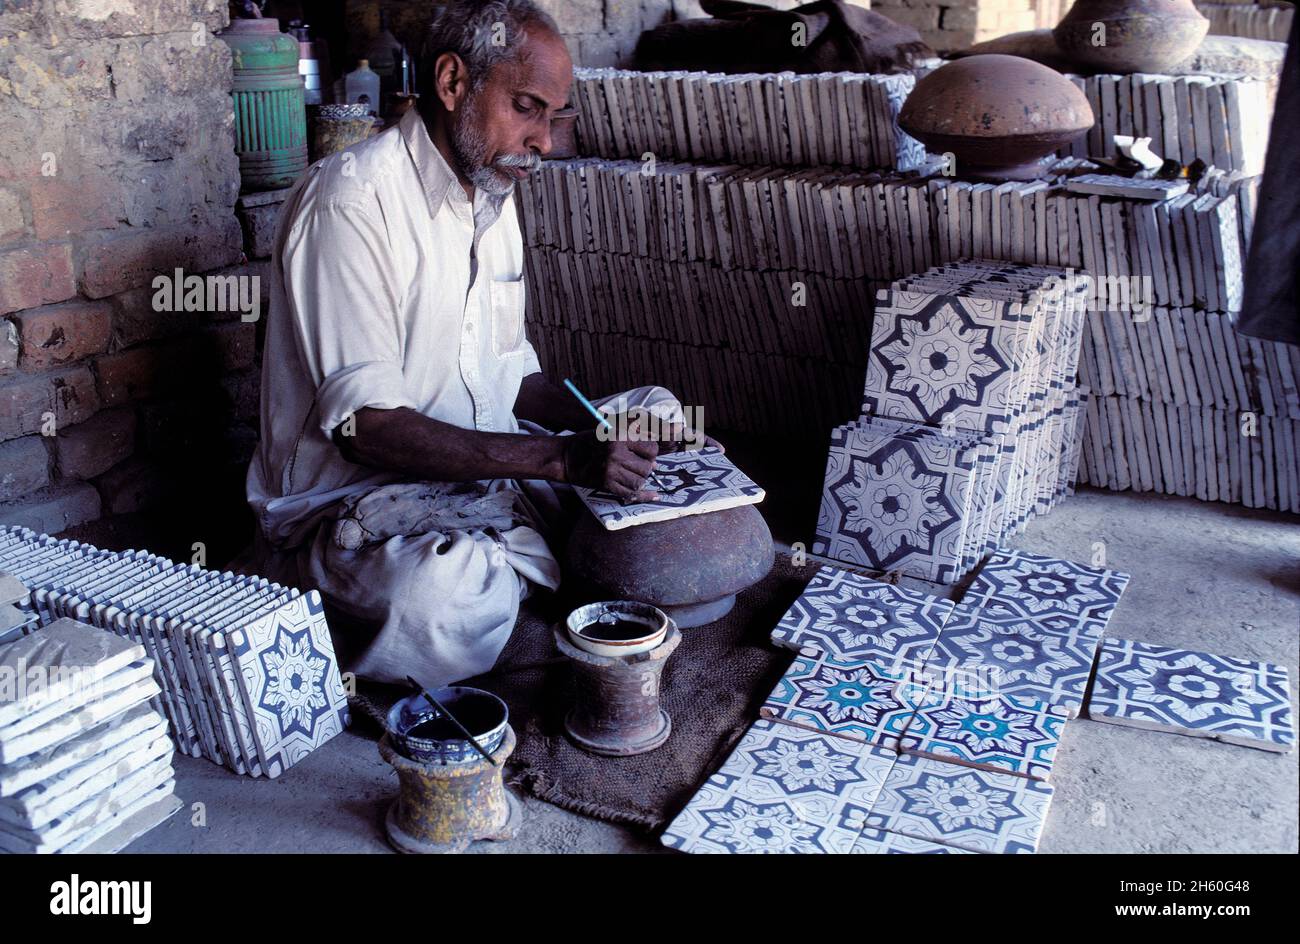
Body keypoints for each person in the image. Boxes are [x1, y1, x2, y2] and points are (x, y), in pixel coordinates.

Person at [246, 0, 701, 686]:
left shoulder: (492, 196)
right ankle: (298, 584)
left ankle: (518, 569)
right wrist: (561, 459)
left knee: (654, 408)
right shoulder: (350, 201)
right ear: (454, 82)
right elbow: (365, 430)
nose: (544, 141)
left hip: (480, 475)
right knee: (444, 595)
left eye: (553, 117)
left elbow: (513, 382)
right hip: (359, 498)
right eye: (526, 107)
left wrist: (609, 426)